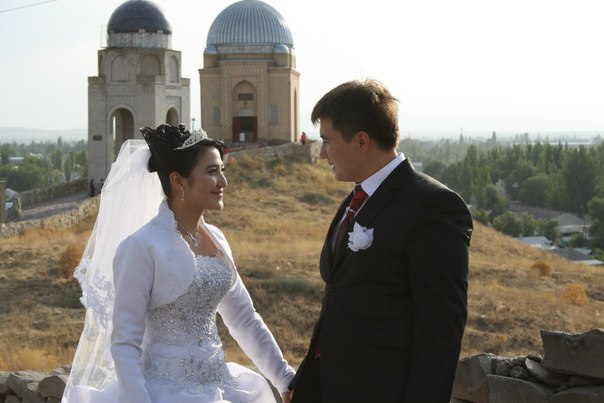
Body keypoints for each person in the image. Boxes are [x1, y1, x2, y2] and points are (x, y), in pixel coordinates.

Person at [62, 124, 295, 403]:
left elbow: (244, 319)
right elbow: (125, 343)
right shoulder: (142, 246)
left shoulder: (217, 239)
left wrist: (285, 378)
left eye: (222, 170)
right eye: (212, 171)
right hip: (165, 393)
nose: (223, 182)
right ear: (178, 181)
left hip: (223, 388)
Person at [289, 80, 473, 403]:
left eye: (327, 141)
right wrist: (306, 382)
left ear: (361, 141)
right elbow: (337, 299)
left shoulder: (432, 207)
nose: (321, 153)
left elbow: (440, 332)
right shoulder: (356, 199)